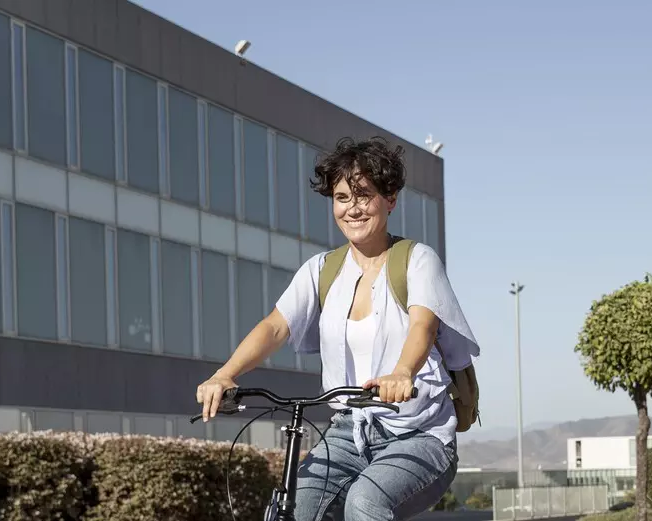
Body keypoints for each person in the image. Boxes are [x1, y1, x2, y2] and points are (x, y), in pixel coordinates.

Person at [194, 136, 478, 521]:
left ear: (390, 199)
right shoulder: (321, 270)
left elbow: (422, 327)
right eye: (343, 198)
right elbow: (275, 327)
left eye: (364, 195)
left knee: (365, 501)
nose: (353, 208)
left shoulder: (416, 260)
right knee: (294, 505)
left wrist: (402, 372)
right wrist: (224, 374)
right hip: (349, 429)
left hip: (418, 433)